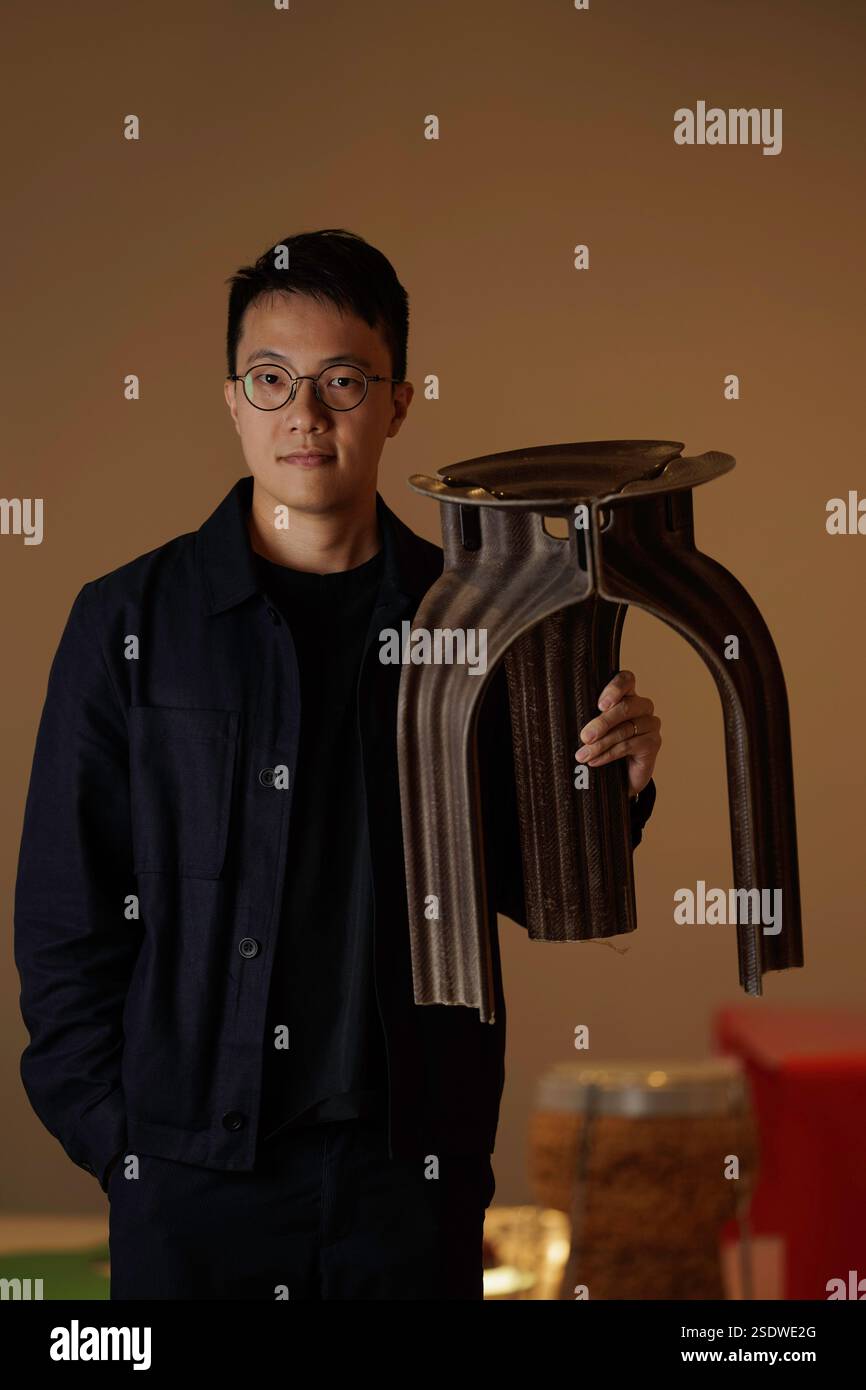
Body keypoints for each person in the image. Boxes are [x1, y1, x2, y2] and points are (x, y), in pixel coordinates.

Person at [13, 228, 661, 1300]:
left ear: (397, 401)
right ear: (232, 399)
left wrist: (613, 783)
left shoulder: (474, 616)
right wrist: (125, 1149)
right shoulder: (129, 619)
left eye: (341, 381)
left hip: (406, 1182)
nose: (303, 414)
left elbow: (518, 873)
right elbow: (63, 910)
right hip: (192, 1183)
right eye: (270, 379)